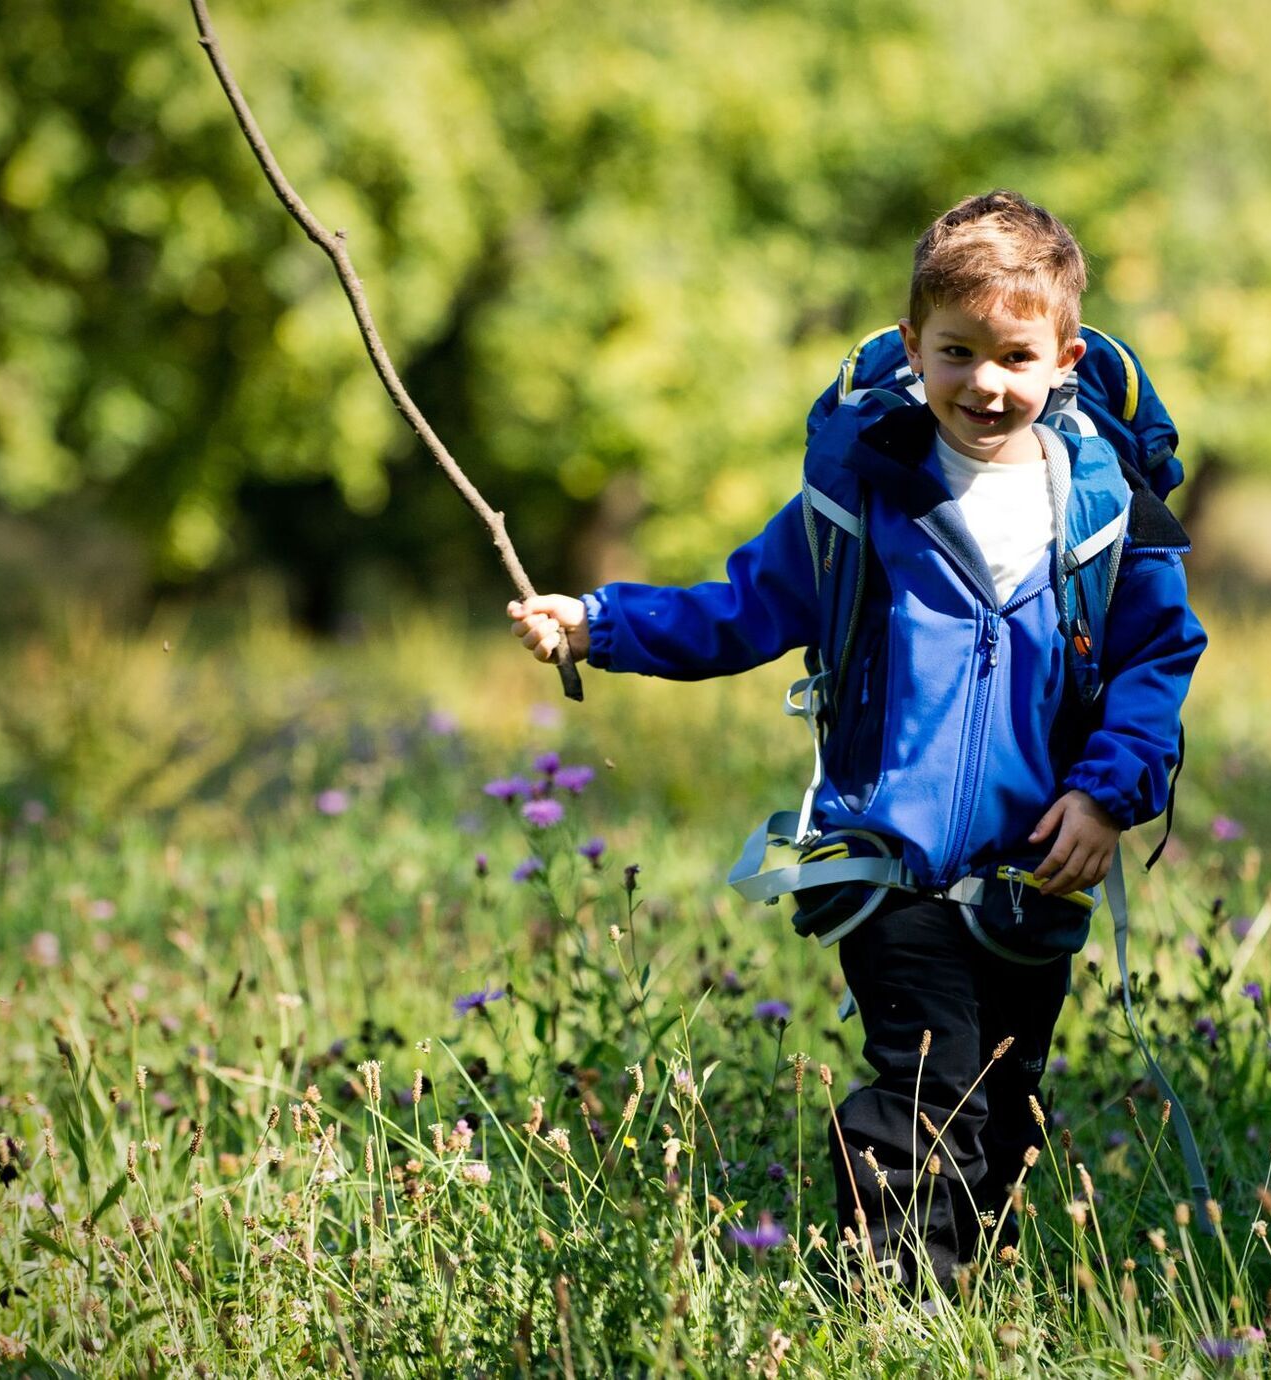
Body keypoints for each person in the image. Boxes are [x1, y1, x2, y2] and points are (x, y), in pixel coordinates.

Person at [507, 190, 1206, 1287]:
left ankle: (975, 1291)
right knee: (925, 1084)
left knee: (1002, 1103)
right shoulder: (859, 499)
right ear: (912, 347)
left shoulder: (1108, 509)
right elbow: (735, 609)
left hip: (1039, 865)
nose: (984, 381)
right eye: (955, 351)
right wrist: (598, 624)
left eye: (1014, 355)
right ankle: (887, 1304)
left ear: (1064, 355)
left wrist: (1107, 793)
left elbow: (1155, 662)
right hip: (888, 859)